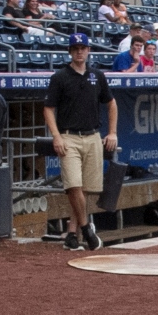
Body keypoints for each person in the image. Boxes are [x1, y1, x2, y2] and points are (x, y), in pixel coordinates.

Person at [44, 32, 117, 251]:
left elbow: (111, 103)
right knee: (73, 185)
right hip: (69, 136)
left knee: (85, 188)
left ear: (88, 50)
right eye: (75, 48)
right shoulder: (60, 77)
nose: (79, 51)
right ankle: (86, 229)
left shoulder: (97, 75)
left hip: (92, 134)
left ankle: (71, 233)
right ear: (70, 51)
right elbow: (48, 108)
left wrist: (112, 132)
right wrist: (56, 135)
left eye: (82, 48)